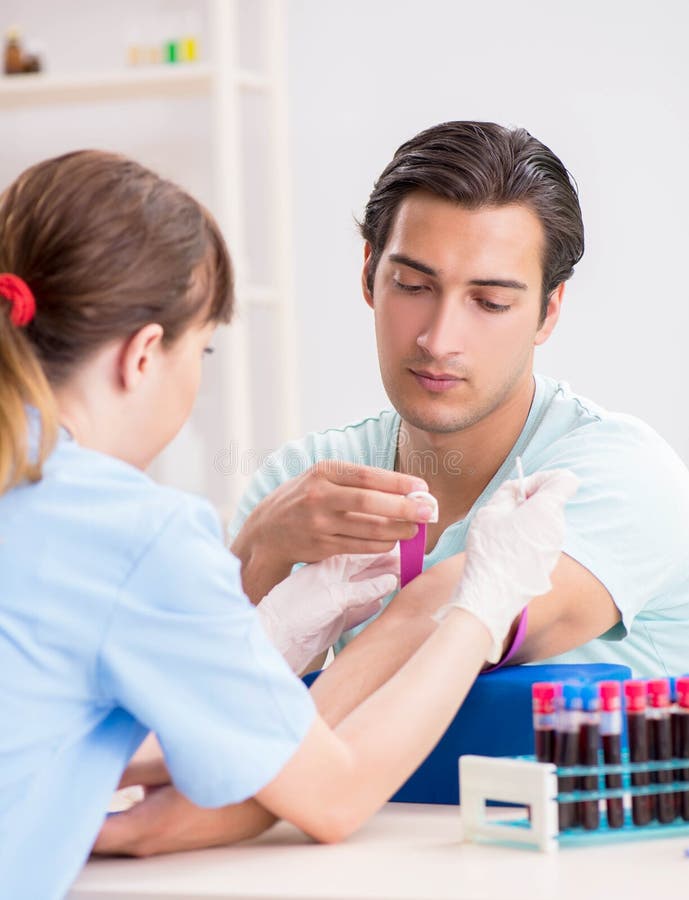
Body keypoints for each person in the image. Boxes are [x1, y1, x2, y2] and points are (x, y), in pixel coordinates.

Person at [0, 150, 575, 899]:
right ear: (145, 354)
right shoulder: (134, 530)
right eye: (199, 348)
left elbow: (50, 725)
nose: (439, 338)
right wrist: (483, 599)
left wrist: (275, 634)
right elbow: (334, 797)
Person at [229, 120, 689, 687]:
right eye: (414, 287)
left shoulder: (622, 476)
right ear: (370, 275)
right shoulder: (304, 485)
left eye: (490, 302)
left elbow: (458, 630)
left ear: (548, 311)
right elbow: (210, 726)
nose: (439, 339)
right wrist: (260, 550)